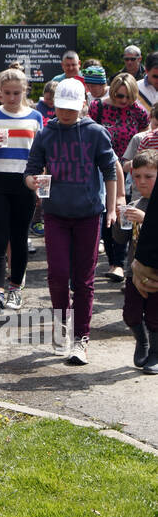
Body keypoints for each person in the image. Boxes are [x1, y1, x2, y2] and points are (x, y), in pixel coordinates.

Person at [24, 78, 117, 365]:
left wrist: (112, 209)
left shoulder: (96, 133)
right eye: (62, 108)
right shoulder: (46, 133)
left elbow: (111, 172)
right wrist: (33, 182)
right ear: (54, 105)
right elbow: (30, 171)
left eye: (72, 109)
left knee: (84, 279)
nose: (66, 113)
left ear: (83, 106)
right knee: (58, 274)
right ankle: (60, 325)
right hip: (56, 214)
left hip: (89, 214)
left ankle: (81, 338)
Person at [0, 68, 45, 316]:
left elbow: (41, 151)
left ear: (25, 91)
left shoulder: (36, 116)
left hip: (24, 180)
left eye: (17, 92)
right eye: (7, 93)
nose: (12, 97)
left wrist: (41, 181)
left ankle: (15, 287)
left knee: (19, 238)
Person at [88, 73, 148, 280]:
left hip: (128, 169)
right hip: (102, 167)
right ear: (112, 92)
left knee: (124, 215)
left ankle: (119, 264)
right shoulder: (98, 107)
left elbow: (143, 138)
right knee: (107, 214)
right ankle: (114, 262)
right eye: (120, 96)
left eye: (128, 97)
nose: (123, 101)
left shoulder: (138, 111)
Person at [112, 150, 158, 374]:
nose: (141, 181)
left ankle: (156, 353)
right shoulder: (135, 202)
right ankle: (142, 342)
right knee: (130, 314)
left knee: (154, 316)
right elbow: (120, 239)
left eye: (148, 177)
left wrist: (145, 219)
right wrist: (119, 221)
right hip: (134, 271)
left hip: (155, 270)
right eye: (137, 176)